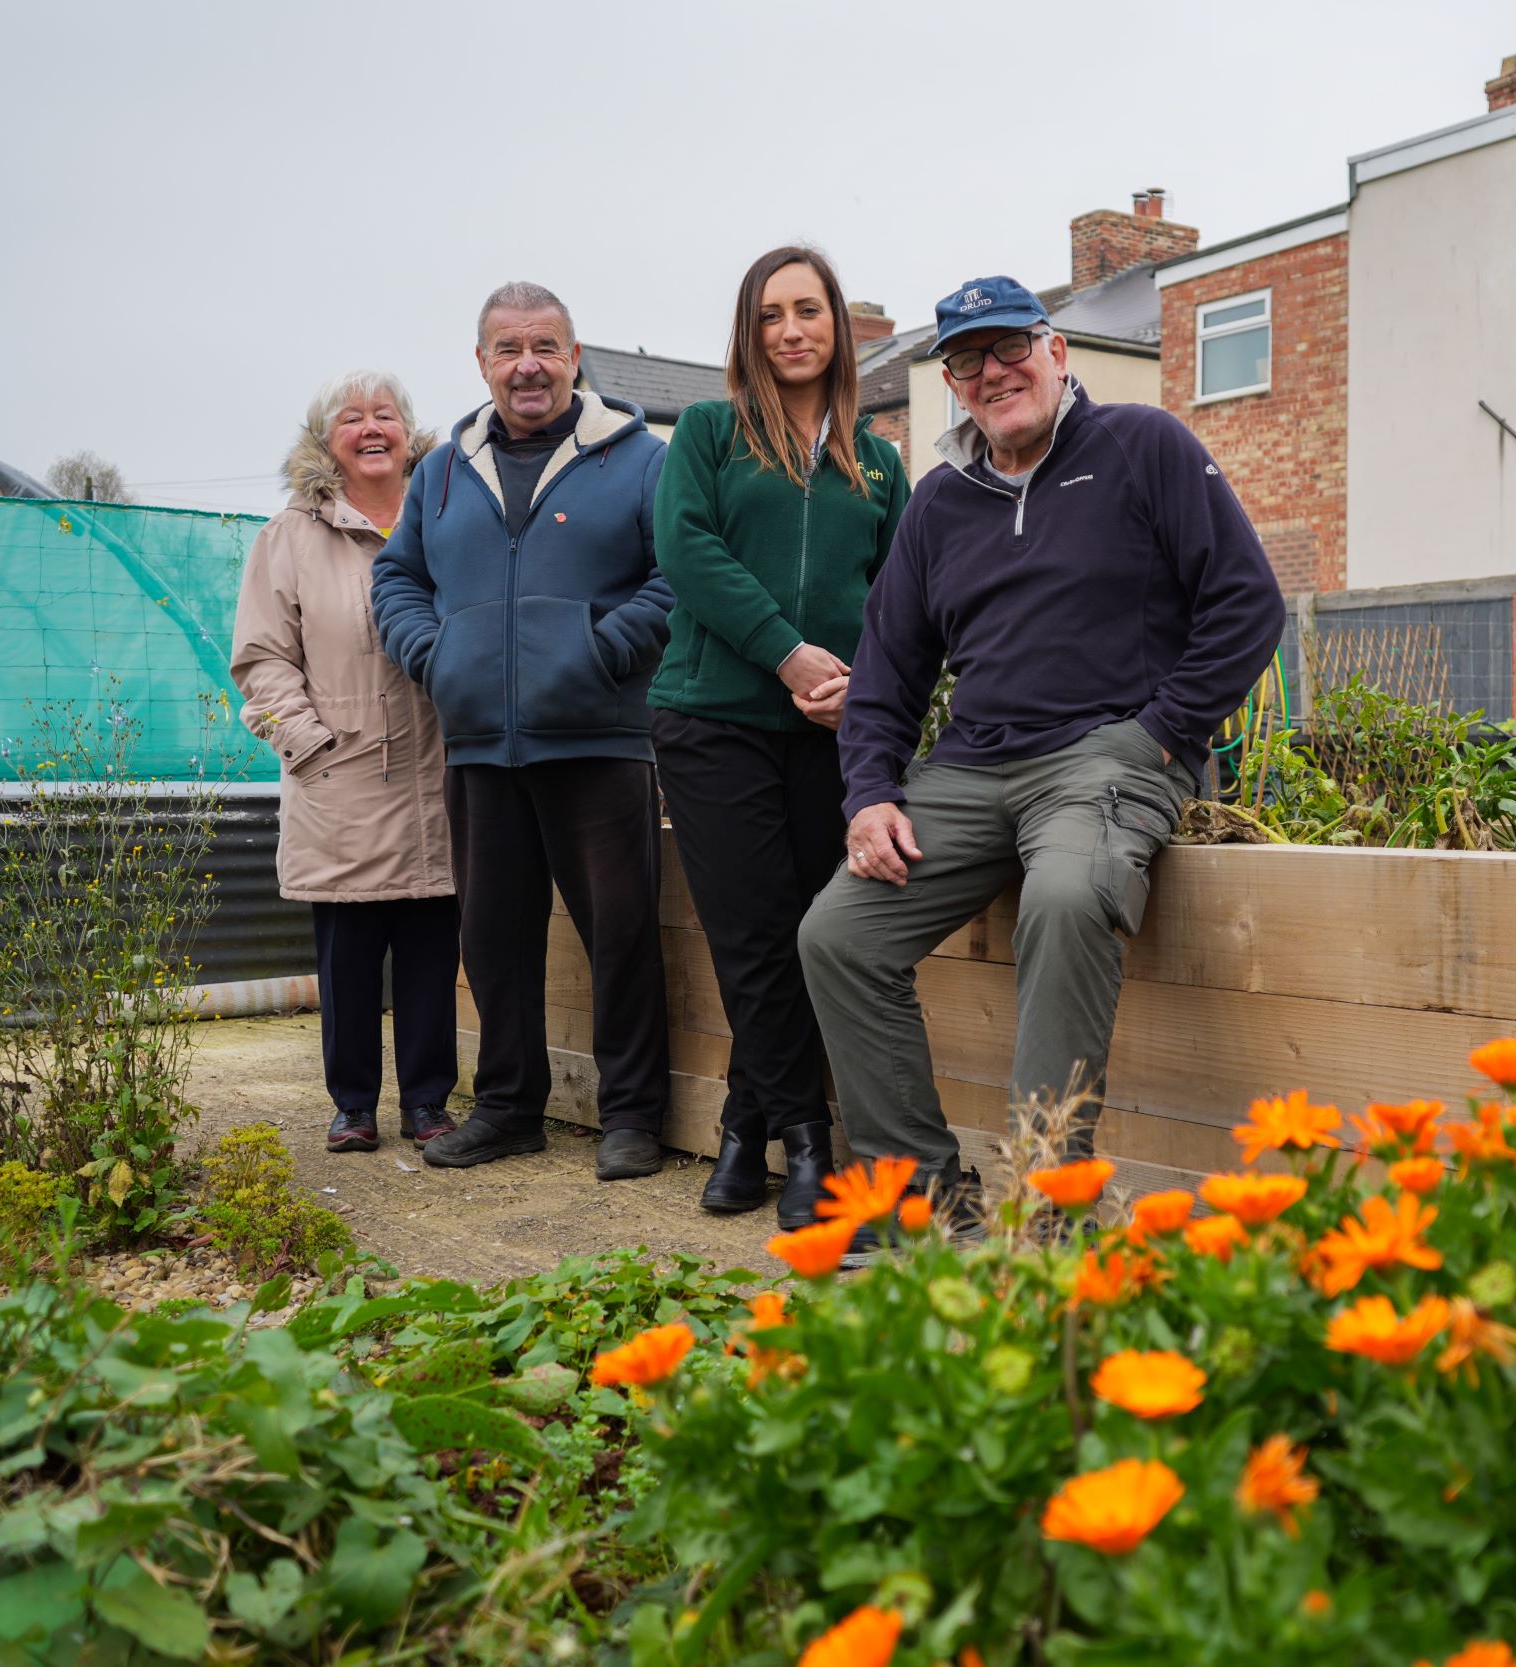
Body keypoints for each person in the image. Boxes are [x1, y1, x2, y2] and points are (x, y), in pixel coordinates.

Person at [798, 275, 1285, 1243]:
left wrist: (1157, 733)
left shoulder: (1143, 446)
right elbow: (889, 667)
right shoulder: (940, 501)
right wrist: (870, 796)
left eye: (1009, 348)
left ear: (1056, 349)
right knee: (838, 935)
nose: (993, 373)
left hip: (1107, 756)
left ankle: (1040, 1213)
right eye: (967, 361)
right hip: (972, 767)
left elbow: (1246, 601)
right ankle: (919, 1207)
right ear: (952, 382)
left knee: (1065, 898)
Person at [372, 281, 675, 1181]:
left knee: (620, 933)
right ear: (482, 364)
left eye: (544, 345)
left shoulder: (636, 457)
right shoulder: (439, 470)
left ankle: (631, 1116)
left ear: (576, 356)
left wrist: (604, 648)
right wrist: (437, 658)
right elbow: (397, 579)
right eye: (508, 349)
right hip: (480, 746)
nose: (527, 365)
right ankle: (509, 1107)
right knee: (494, 938)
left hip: (600, 738)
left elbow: (677, 573)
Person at [651, 248, 907, 1230]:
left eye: (808, 310)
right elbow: (689, 551)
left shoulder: (879, 461)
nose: (791, 329)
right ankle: (805, 1140)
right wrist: (790, 654)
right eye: (771, 314)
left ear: (837, 324)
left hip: (828, 733)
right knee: (751, 934)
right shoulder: (711, 431)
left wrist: (863, 689)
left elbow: (900, 598)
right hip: (713, 715)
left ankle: (738, 1121)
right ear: (748, 332)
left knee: (809, 935)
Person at [231, 373, 460, 1154]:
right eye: (351, 418)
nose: (371, 429)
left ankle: (429, 1102)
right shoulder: (289, 535)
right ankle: (353, 1104)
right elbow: (261, 660)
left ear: (408, 431)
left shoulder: (446, 511)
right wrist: (310, 746)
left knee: (433, 950)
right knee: (351, 957)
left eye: (385, 415)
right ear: (325, 442)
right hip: (340, 777)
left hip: (438, 771)